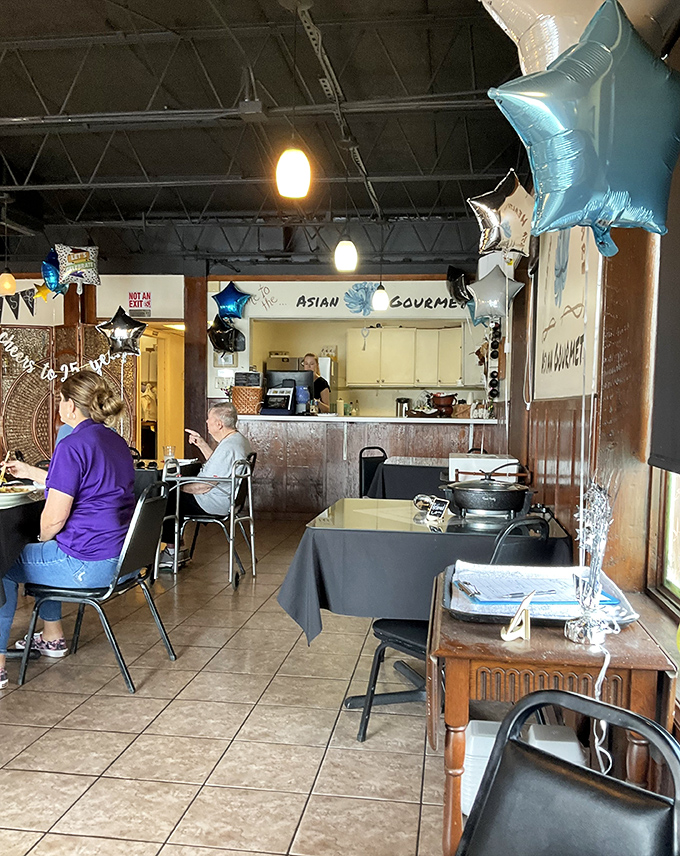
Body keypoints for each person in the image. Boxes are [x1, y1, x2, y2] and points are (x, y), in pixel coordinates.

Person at [0, 370, 135, 689]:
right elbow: (88, 485)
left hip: (86, 566)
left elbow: (53, 522)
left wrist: (39, 538)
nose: (58, 405)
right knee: (33, 551)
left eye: (60, 399)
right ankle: (52, 637)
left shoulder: (72, 445)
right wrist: (32, 472)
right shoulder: (113, 440)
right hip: (122, 559)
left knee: (3, 560)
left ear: (72, 406)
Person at [158, 400, 252, 568]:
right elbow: (219, 465)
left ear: (219, 424)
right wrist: (201, 443)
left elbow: (205, 486)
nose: (206, 422)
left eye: (209, 419)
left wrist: (176, 487)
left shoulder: (228, 447)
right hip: (227, 497)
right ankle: (178, 548)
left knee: (167, 496)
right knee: (174, 492)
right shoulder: (237, 440)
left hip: (213, 500)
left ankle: (173, 551)